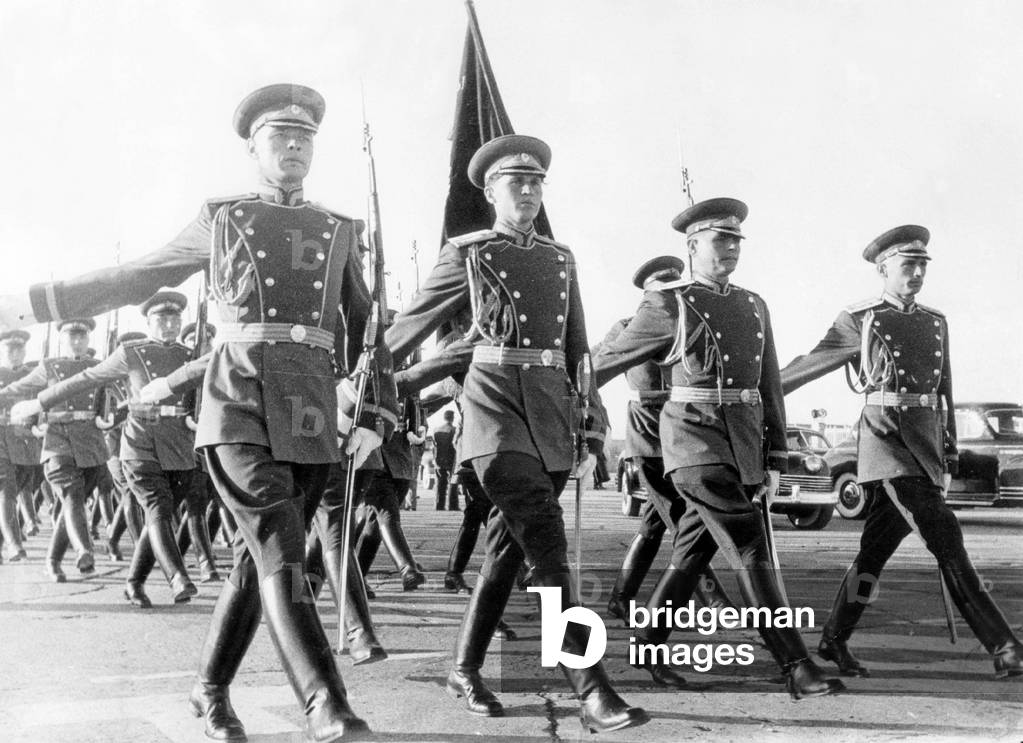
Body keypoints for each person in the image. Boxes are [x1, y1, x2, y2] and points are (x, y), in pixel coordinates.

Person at [0, 83, 396, 741]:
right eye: (279, 136)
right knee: (280, 545)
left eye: (304, 137)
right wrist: (30, 306)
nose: (294, 145)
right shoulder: (223, 219)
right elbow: (137, 274)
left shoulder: (339, 230)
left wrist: (373, 415)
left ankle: (208, 689)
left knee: (257, 557)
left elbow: (368, 325)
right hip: (237, 402)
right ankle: (327, 703)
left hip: (310, 415)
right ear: (252, 147)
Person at [384, 134, 646, 733]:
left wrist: (592, 422)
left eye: (535, 182)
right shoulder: (469, 255)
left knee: (507, 551)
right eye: (514, 182)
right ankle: (590, 687)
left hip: (551, 420)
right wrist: (360, 380)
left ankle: (465, 668)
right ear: (490, 191)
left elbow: (578, 350)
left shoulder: (561, 259)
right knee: (549, 554)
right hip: (494, 418)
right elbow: (410, 324)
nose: (527, 191)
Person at [590, 198, 843, 699]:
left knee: (691, 551)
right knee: (750, 544)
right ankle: (795, 663)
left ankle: (647, 646)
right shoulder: (669, 302)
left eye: (735, 241)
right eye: (718, 240)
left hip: (743, 447)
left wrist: (774, 458)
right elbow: (603, 362)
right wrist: (577, 416)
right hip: (692, 443)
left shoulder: (754, 305)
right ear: (691, 246)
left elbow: (768, 387)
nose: (729, 249)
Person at [781, 225, 1022, 679]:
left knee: (874, 554)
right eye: (907, 265)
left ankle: (834, 639)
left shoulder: (935, 320)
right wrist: (762, 395)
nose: (916, 274)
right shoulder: (862, 318)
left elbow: (944, 390)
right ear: (883, 268)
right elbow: (808, 364)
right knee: (946, 535)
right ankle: (1004, 645)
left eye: (922, 266)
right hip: (887, 445)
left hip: (926, 446)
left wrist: (947, 451)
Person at [13, 291, 207, 606]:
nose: (170, 325)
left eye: (175, 319)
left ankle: (134, 583)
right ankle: (177, 576)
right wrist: (39, 401)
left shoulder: (191, 356)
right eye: (161, 318)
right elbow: (86, 379)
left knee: (161, 513)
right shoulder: (131, 353)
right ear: (148, 322)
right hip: (140, 442)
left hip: (179, 446)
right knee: (158, 506)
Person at [596, 258, 733, 685]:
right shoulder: (627, 326)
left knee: (658, 521)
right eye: (664, 284)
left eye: (677, 282)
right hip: (649, 433)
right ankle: (711, 601)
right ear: (647, 291)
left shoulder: (692, 320)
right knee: (681, 519)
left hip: (687, 429)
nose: (674, 290)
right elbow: (597, 367)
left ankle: (621, 599)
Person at [0, 318, 108, 582]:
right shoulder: (49, 367)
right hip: (57, 441)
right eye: (72, 336)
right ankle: (84, 550)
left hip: (92, 445)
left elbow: (122, 393)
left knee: (74, 501)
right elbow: (19, 387)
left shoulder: (99, 367)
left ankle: (52, 560)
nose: (77, 341)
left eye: (82, 337)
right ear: (61, 338)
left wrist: (112, 416)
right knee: (72, 492)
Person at [0, 330, 42, 562]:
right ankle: (15, 544)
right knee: (7, 488)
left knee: (19, 488)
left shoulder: (32, 376)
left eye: (19, 349)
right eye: (9, 349)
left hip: (26, 442)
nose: (15, 354)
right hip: (1, 438)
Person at [431, 409, 458, 510]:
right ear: (452, 418)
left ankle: (439, 505)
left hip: (438, 459)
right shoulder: (454, 429)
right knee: (452, 482)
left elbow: (434, 446)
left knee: (439, 483)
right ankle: (452, 505)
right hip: (451, 459)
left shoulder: (436, 429)